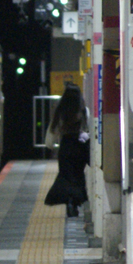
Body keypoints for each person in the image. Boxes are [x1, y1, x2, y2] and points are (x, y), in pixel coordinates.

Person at [44, 82, 89, 217]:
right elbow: (88, 129)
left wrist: (50, 144)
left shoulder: (61, 111)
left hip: (65, 147)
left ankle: (69, 200)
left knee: (65, 175)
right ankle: (74, 202)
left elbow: (53, 130)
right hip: (79, 148)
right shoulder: (84, 111)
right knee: (78, 175)